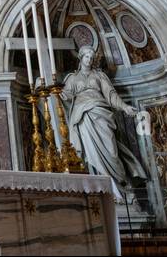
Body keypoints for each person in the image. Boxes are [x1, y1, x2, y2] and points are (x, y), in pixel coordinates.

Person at [62, 45, 147, 189]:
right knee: (90, 152)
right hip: (83, 117)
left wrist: (124, 107)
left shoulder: (99, 75)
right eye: (86, 57)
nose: (89, 60)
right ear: (81, 58)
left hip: (101, 113)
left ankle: (121, 184)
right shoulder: (72, 78)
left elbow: (111, 95)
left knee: (111, 149)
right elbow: (65, 96)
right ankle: (102, 187)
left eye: (91, 57)